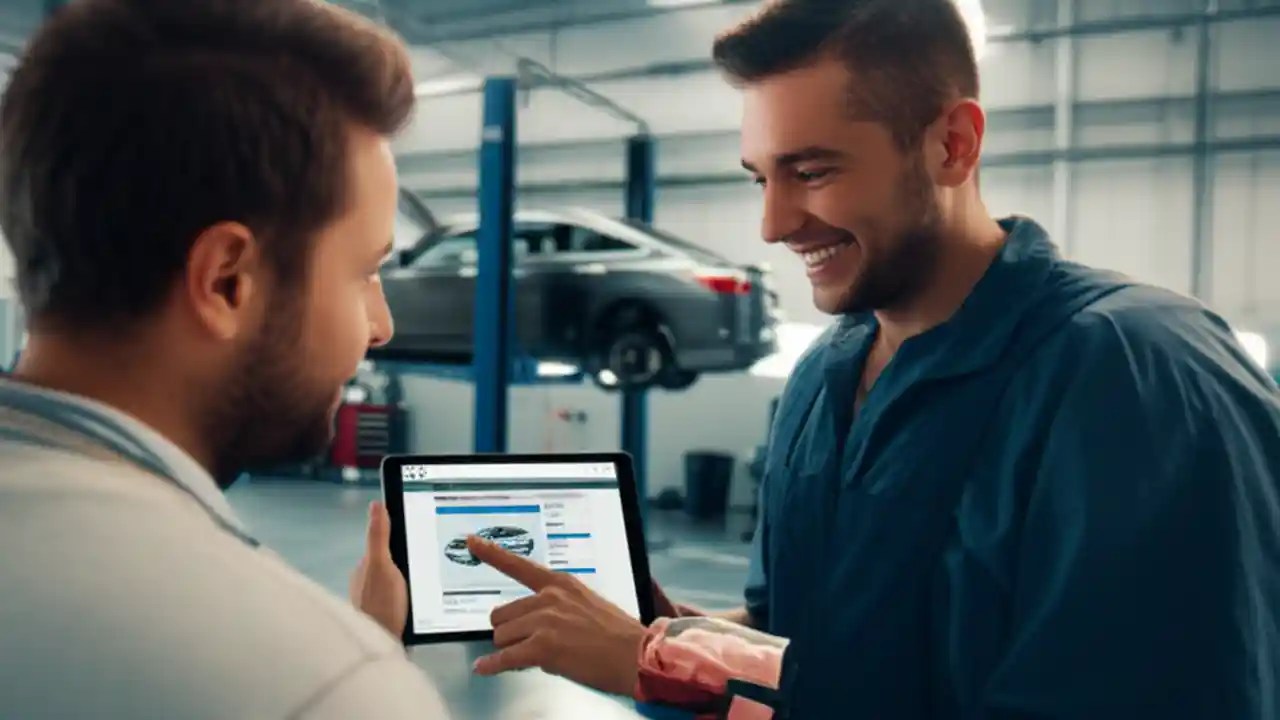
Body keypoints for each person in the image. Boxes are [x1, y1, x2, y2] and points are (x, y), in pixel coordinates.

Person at [462, 0, 1280, 717]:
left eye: (811, 171)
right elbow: (800, 643)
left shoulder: (1138, 377)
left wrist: (672, 671)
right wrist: (659, 633)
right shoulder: (826, 376)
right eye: (760, 179)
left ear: (952, 145)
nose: (775, 225)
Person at [0, 1, 448, 718]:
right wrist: (349, 670)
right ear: (226, 282)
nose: (380, 326)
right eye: (363, 272)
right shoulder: (318, 686)